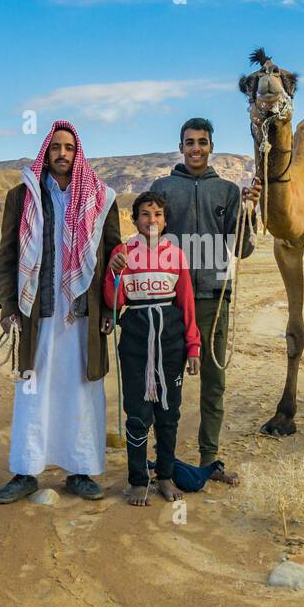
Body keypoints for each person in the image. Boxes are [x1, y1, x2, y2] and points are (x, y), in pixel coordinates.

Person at [0, 121, 121, 503]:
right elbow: (8, 257)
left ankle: (80, 471)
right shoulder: (23, 196)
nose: (62, 154)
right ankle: (26, 470)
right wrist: (8, 305)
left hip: (84, 314)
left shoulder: (101, 198)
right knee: (34, 390)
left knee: (82, 390)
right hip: (38, 313)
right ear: (46, 153)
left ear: (76, 152)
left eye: (68, 148)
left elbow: (114, 252)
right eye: (55, 148)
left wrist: (111, 307)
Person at [148, 118, 258, 482]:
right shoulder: (162, 188)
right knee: (165, 381)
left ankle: (210, 459)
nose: (196, 148)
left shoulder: (227, 192)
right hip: (171, 299)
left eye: (202, 142)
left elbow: (241, 248)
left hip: (214, 296)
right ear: (181, 146)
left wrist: (248, 213)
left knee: (214, 383)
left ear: (211, 147)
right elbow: (150, 241)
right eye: (189, 142)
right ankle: (163, 459)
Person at [104, 192, 202, 505]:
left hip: (171, 341)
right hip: (135, 339)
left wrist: (193, 347)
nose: (152, 220)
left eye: (158, 214)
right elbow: (115, 301)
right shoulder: (122, 252)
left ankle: (165, 476)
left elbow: (186, 303)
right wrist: (115, 271)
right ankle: (136, 480)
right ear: (134, 220)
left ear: (166, 220)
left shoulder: (176, 255)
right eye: (145, 214)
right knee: (137, 412)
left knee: (168, 412)